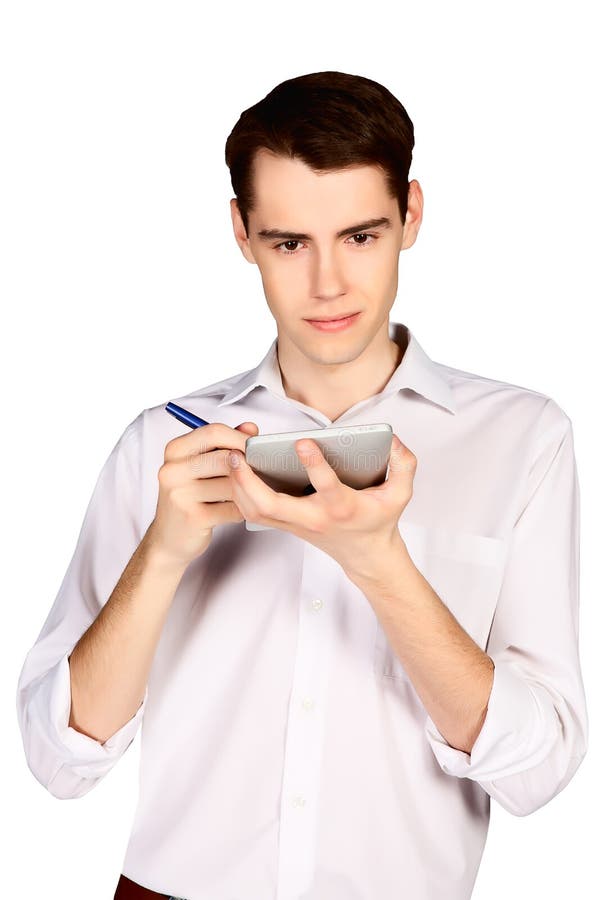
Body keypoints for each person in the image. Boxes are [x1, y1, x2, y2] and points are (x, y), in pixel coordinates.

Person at [16, 70, 588, 900]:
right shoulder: (162, 446)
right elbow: (55, 760)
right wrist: (165, 550)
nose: (327, 285)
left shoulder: (523, 439)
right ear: (243, 234)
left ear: (411, 217)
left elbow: (539, 773)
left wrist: (378, 563)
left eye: (360, 237)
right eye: (289, 243)